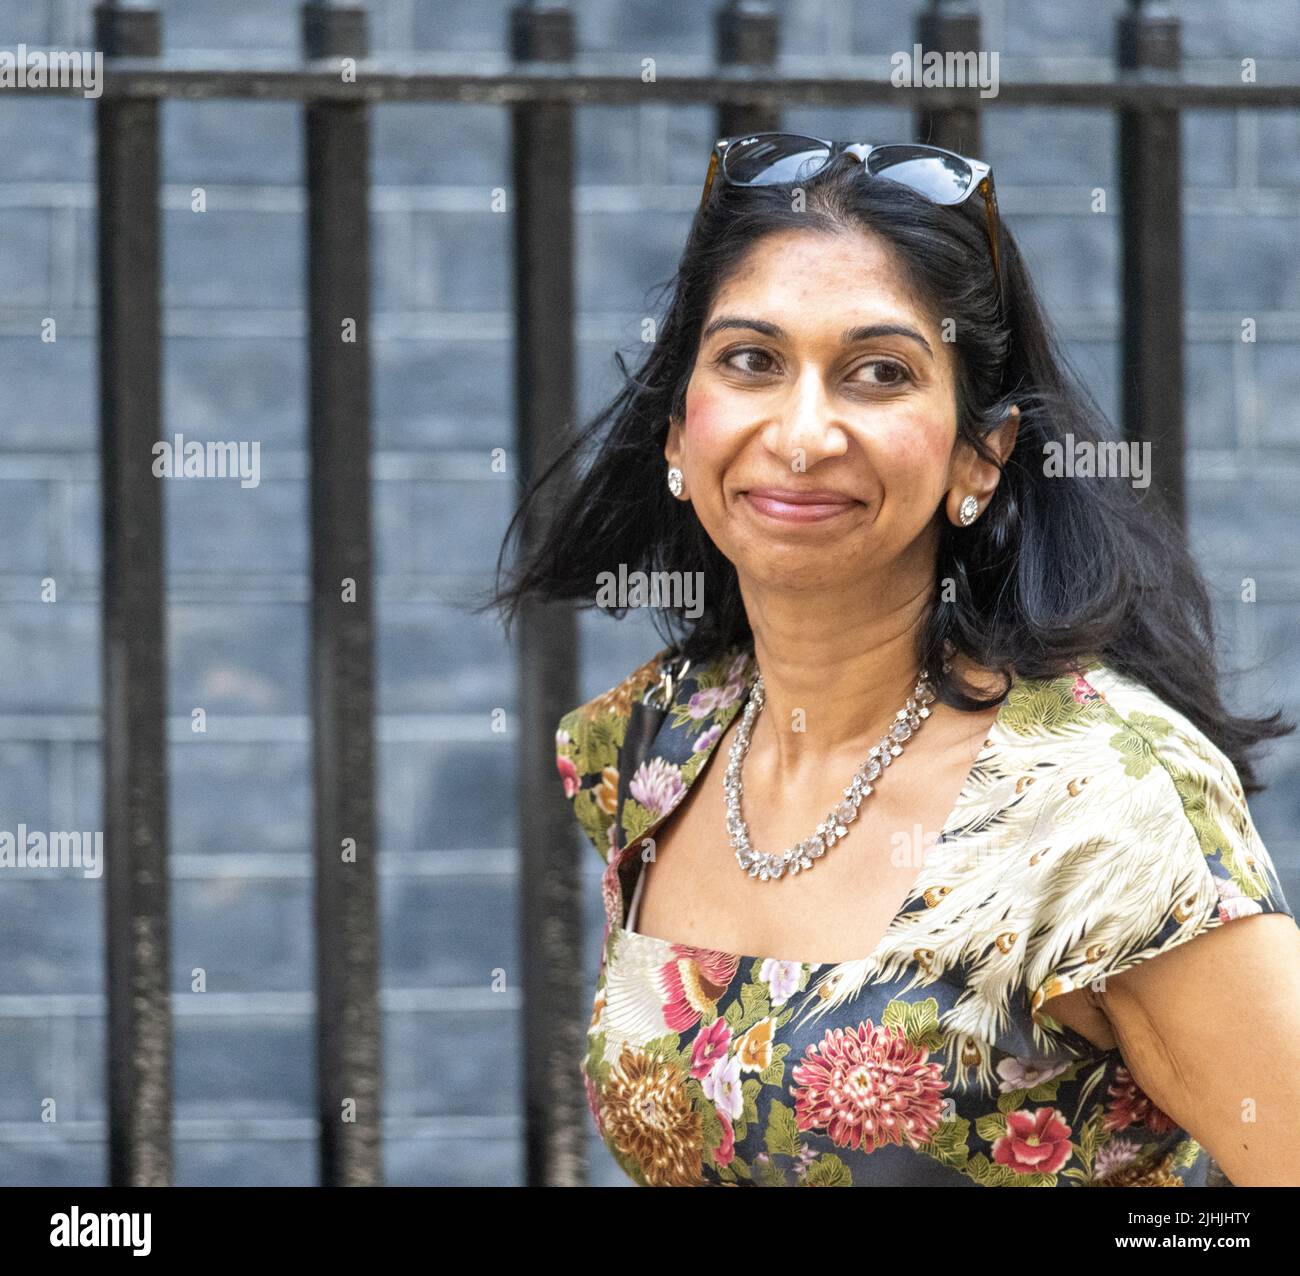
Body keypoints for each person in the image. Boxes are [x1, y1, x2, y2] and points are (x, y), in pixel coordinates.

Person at [481, 135, 1300, 1187]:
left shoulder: (1104, 804)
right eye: (751, 361)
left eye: (878, 372)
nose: (804, 431)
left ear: (980, 453)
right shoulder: (658, 744)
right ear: (677, 432)